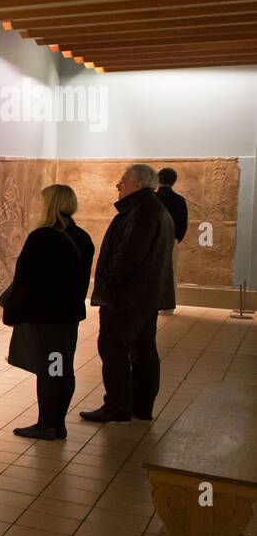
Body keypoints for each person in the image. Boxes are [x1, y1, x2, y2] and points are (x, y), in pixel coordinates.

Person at [80, 164, 176, 423]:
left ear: (138, 184)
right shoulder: (151, 208)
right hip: (144, 298)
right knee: (143, 350)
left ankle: (118, 406)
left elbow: (129, 255)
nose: (118, 185)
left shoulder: (142, 211)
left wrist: (109, 283)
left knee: (113, 348)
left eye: (123, 180)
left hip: (128, 299)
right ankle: (140, 406)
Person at [1, 185, 94, 440]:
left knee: (50, 371)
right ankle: (57, 422)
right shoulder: (82, 237)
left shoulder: (43, 237)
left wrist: (13, 312)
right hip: (68, 316)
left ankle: (48, 425)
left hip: (46, 319)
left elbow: (25, 281)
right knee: (62, 368)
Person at [156, 167, 188, 315]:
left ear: (158, 179)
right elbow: (183, 223)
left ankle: (153, 304)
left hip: (153, 238)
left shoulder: (153, 198)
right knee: (171, 272)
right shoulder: (179, 200)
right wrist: (177, 238)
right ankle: (168, 307)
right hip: (172, 239)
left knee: (152, 270)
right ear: (174, 181)